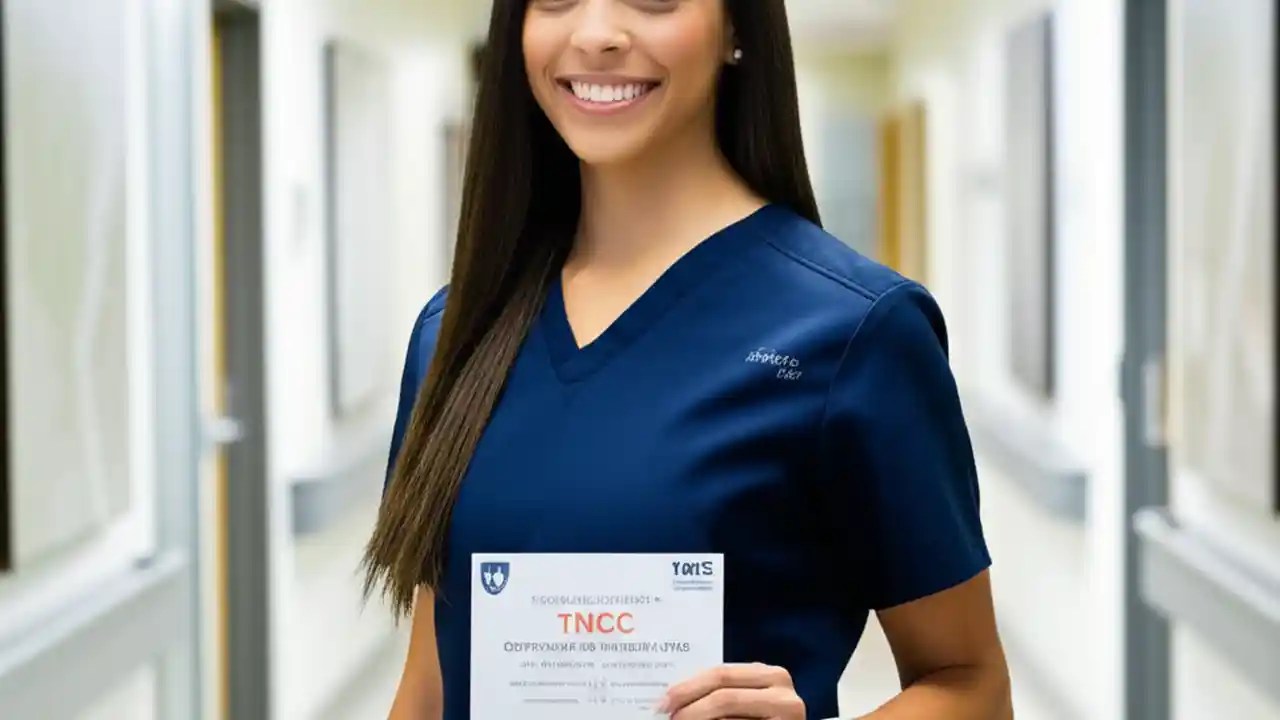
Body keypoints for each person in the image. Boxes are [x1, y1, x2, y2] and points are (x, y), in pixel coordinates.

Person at [363, 1, 1012, 718]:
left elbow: (970, 683)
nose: (596, 33)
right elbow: (429, 686)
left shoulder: (854, 333)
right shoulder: (453, 335)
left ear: (738, 28)